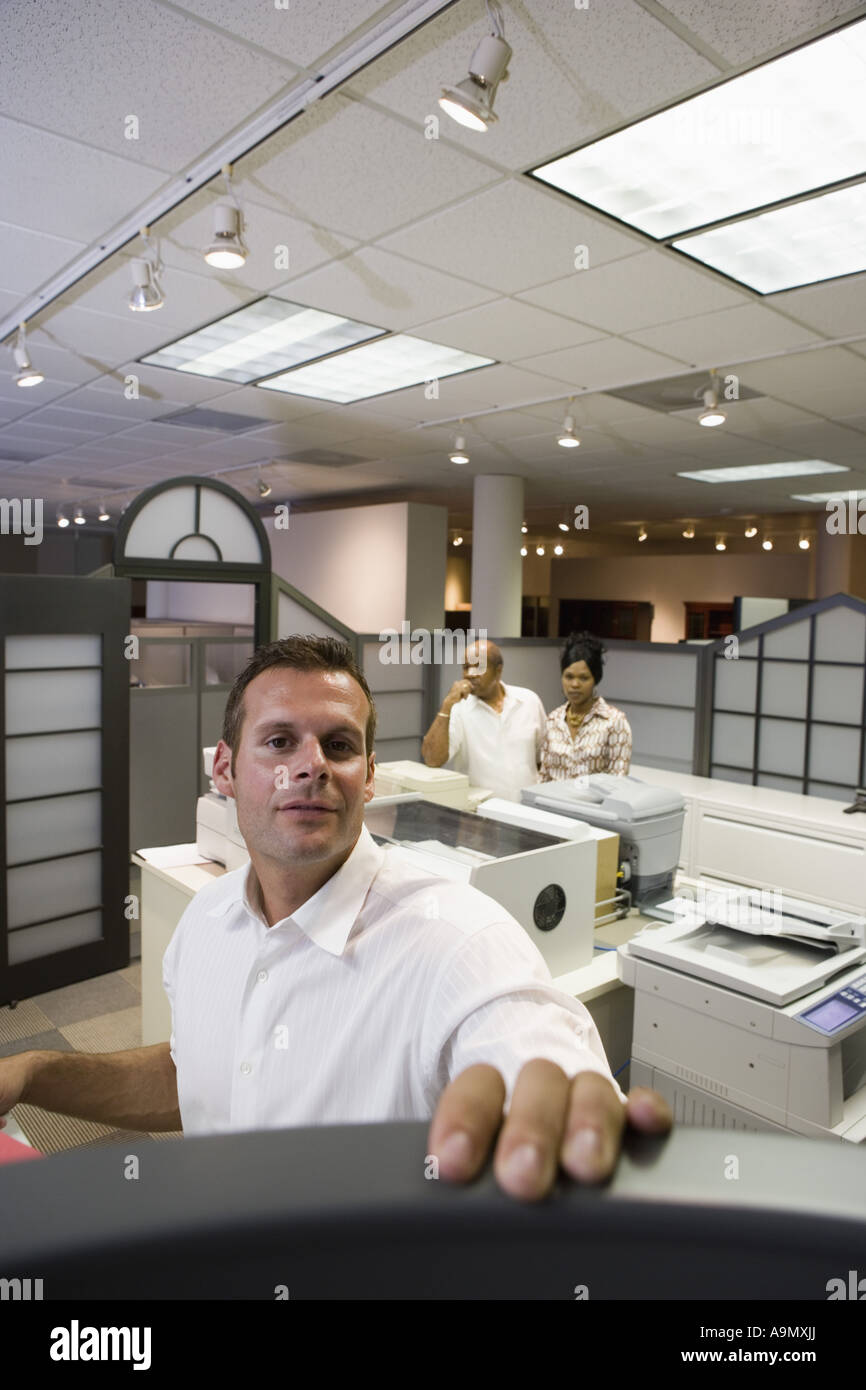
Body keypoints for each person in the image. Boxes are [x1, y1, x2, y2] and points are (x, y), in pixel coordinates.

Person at [0, 636, 668, 1201]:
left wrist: (568, 1131)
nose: (312, 766)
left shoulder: (463, 943)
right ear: (226, 770)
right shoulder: (206, 922)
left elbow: (536, 1059)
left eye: (339, 745)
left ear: (369, 776)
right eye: (280, 741)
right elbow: (197, 1076)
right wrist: (34, 1073)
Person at [421, 638, 547, 801]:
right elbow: (432, 759)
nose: (469, 674)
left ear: (498, 670)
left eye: (478, 666)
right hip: (480, 813)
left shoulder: (529, 701)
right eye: (466, 667)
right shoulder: (459, 708)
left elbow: (542, 759)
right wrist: (447, 705)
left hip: (527, 809)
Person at [540, 631, 632, 781]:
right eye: (569, 677)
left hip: (594, 804)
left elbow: (618, 782)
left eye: (584, 678)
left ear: (595, 679)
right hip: (553, 802)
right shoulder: (553, 720)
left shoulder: (614, 722)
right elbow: (544, 777)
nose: (575, 685)